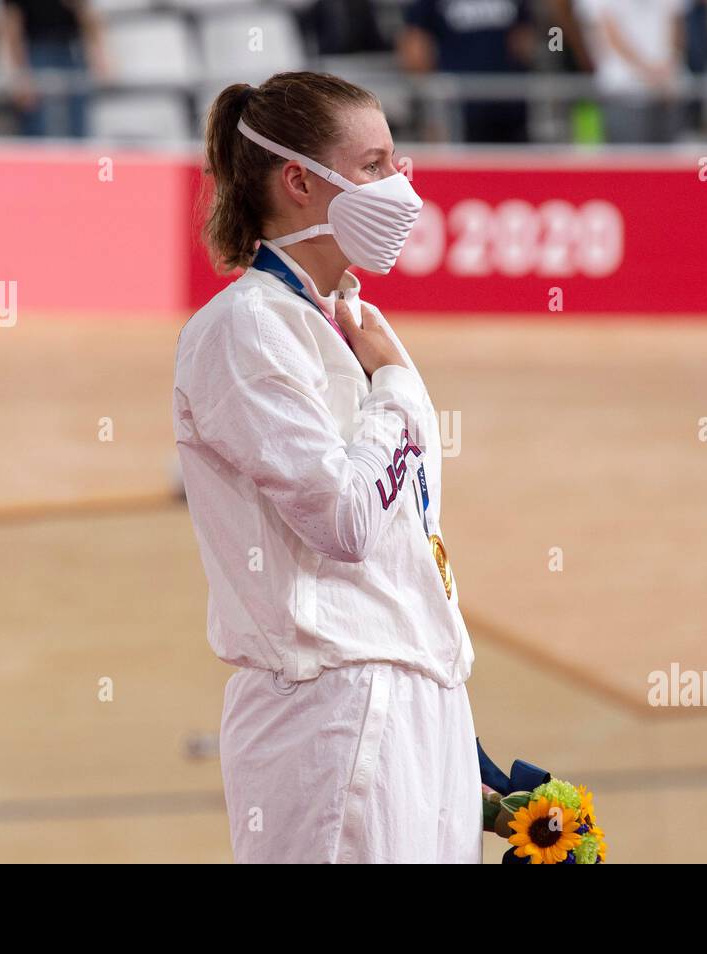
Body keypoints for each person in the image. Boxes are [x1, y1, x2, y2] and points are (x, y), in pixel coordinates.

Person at [174, 71, 481, 863]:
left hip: (412, 704)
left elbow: (398, 543)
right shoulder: (247, 327)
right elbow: (342, 520)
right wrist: (400, 390)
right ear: (300, 180)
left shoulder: (351, 320)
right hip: (334, 703)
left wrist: (448, 741)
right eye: (374, 165)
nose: (400, 185)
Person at [398, 0, 534, 143]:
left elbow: (524, 42)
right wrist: (432, 109)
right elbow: (415, 48)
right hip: (457, 111)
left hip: (509, 107)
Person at [573, 0, 687, 143]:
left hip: (667, 91)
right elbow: (605, 30)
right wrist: (647, 70)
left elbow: (676, 21)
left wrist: (667, 66)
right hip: (623, 91)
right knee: (629, 158)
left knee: (668, 158)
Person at [0, 0, 107, 138]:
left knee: (77, 123)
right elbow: (10, 21)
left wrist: (100, 56)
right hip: (34, 50)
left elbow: (85, 11)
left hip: (70, 49)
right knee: (36, 122)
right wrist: (19, 72)